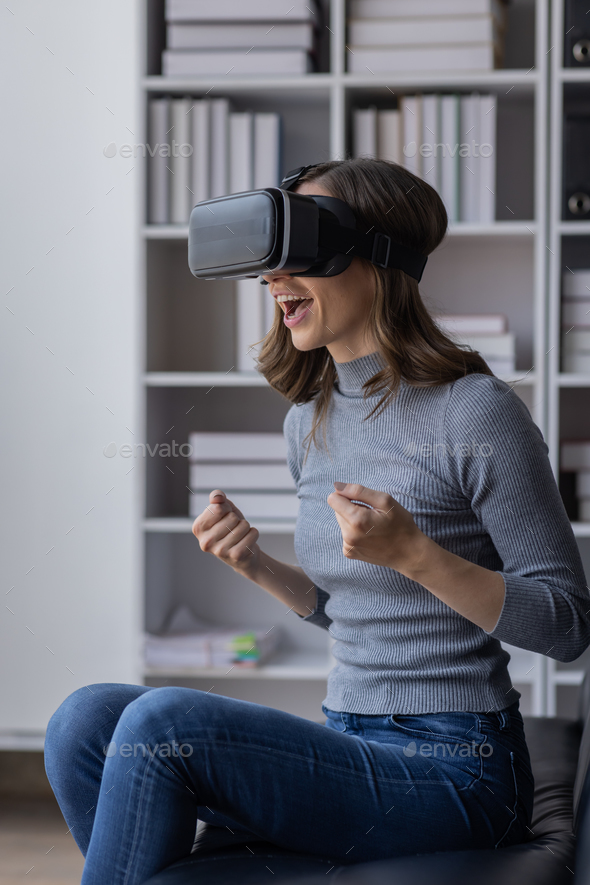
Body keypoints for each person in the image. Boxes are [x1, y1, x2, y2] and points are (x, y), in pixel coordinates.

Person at [44, 158, 590, 885]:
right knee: (84, 719)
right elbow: (363, 611)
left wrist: (418, 554)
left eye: (298, 250)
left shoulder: (478, 411)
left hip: (458, 771)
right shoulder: (311, 421)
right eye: (269, 262)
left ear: (379, 255)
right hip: (350, 738)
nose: (273, 278)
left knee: (162, 725)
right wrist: (257, 565)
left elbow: (568, 624)